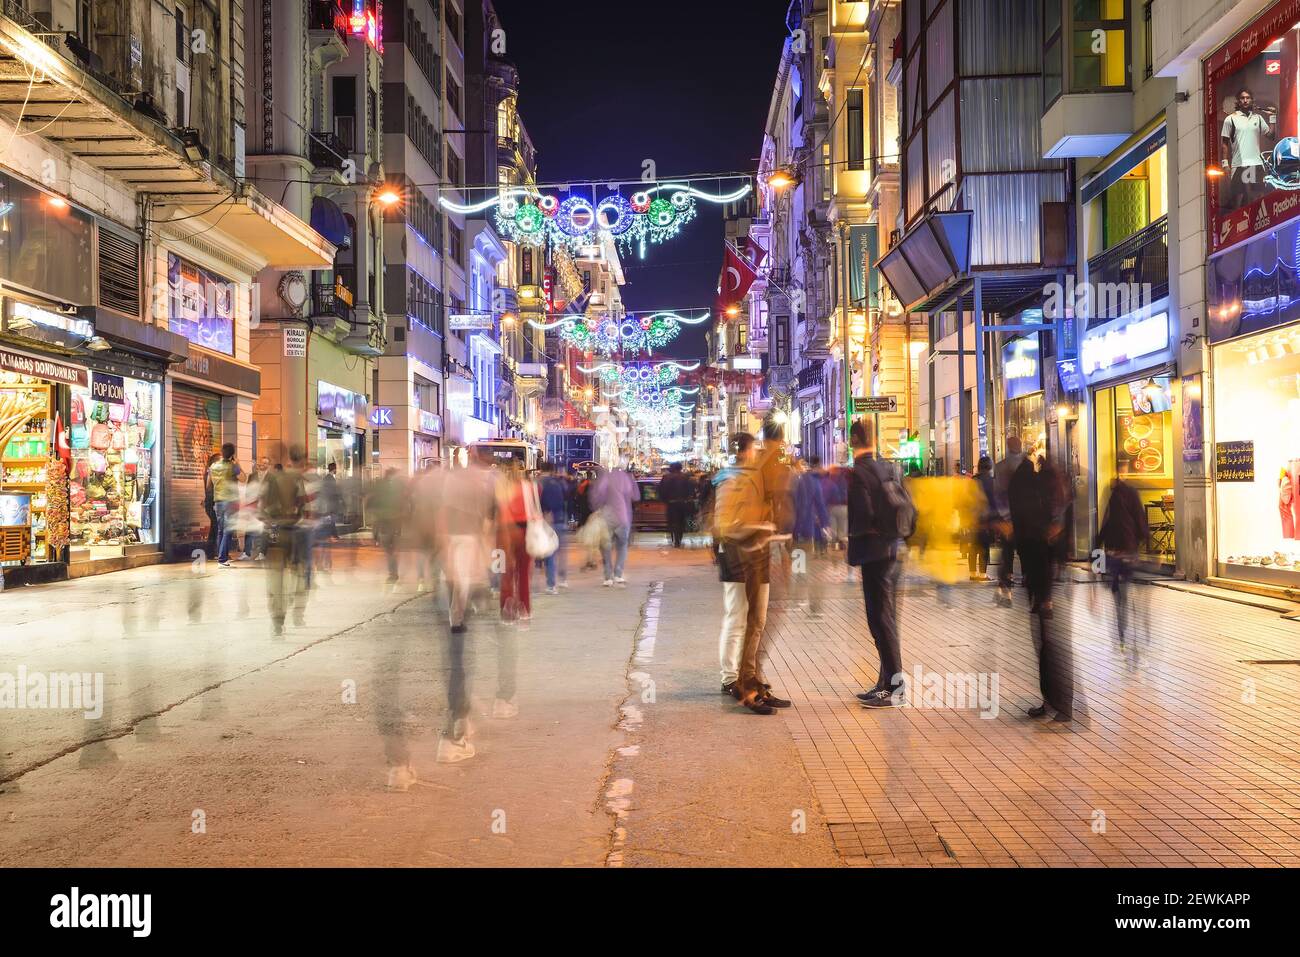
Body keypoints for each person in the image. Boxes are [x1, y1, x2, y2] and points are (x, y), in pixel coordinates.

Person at [713, 423, 793, 715]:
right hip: (737, 557)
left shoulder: (750, 476)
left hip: (756, 556)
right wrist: (757, 526)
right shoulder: (732, 479)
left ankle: (750, 679)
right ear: (745, 451)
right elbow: (725, 525)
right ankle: (732, 679)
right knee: (738, 619)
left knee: (755, 621)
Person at [846, 419, 909, 709]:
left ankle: (895, 688)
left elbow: (862, 513)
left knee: (880, 620)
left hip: (874, 553)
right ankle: (884, 683)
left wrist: (856, 540)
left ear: (854, 440)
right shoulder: (888, 467)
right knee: (886, 618)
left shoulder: (859, 472)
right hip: (894, 549)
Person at [1009, 454, 1074, 722]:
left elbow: (1044, 553)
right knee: (1046, 648)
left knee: (1053, 648)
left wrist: (1045, 596)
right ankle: (1051, 702)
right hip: (1043, 588)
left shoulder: (1041, 516)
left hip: (1048, 591)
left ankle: (1062, 706)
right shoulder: (1042, 507)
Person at [259, 446, 308, 637]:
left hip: (273, 534)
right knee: (297, 575)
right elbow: (304, 507)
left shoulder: (268, 479)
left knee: (275, 578)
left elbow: (260, 509)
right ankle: (295, 612)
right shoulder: (297, 479)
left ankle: (277, 619)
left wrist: (270, 522)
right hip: (291, 533)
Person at [1096, 476, 1149, 647]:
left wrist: (1096, 559)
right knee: (1127, 590)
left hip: (1115, 554)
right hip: (1129, 552)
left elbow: (1103, 531)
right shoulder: (1132, 498)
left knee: (1119, 595)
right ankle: (1134, 622)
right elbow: (1141, 523)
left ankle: (1121, 630)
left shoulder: (1112, 503)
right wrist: (1142, 541)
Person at [1220, 87, 1275, 210]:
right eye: (1242, 98)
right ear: (1238, 101)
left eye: (1247, 98)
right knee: (1238, 200)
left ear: (1251, 100)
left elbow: (1271, 136)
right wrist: (1225, 164)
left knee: (1258, 197)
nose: (1245, 100)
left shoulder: (1258, 118)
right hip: (1240, 165)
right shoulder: (1231, 119)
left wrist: (1272, 117)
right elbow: (1224, 143)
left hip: (1256, 164)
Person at [496, 463, 535, 621]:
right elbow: (535, 511)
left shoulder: (503, 490)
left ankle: (507, 607)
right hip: (526, 532)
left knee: (506, 573)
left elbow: (502, 513)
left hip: (506, 532)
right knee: (524, 573)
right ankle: (524, 608)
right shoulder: (529, 488)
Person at [590, 459, 638, 586]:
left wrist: (597, 507)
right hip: (623, 516)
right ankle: (618, 574)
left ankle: (608, 577)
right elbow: (636, 497)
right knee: (622, 547)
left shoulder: (606, 477)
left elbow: (597, 496)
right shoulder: (628, 478)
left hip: (607, 517)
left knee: (605, 546)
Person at [993, 435, 1026, 606]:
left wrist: (1004, 518)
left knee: (1007, 556)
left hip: (1009, 520)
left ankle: (1006, 590)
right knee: (1024, 554)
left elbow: (998, 494)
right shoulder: (1029, 465)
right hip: (1025, 520)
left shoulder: (1000, 467)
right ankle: (1012, 587)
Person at [367, 468, 406, 585]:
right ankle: (393, 571)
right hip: (393, 520)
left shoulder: (380, 485)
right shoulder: (398, 486)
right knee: (392, 547)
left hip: (384, 521)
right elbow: (403, 501)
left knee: (389, 548)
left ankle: (392, 572)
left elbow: (371, 501)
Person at [539, 461, 570, 594]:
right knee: (561, 551)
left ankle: (551, 584)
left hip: (545, 521)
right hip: (560, 519)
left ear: (541, 469)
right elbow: (567, 497)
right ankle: (563, 579)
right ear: (552, 470)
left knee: (549, 553)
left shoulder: (537, 483)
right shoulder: (558, 482)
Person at [209, 443, 242, 567]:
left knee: (221, 530)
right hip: (231, 501)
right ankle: (222, 559)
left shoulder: (213, 466)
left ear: (222, 452)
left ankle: (222, 557)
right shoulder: (233, 466)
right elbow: (243, 478)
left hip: (218, 501)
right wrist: (238, 464)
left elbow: (212, 481)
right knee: (228, 530)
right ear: (232, 454)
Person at [969, 456, 996, 581]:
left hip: (972, 519)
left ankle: (973, 573)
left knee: (973, 546)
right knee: (984, 546)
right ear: (989, 467)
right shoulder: (991, 481)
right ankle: (983, 574)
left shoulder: (972, 481)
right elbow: (993, 501)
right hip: (985, 519)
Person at [660, 462, 692, 548]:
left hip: (671, 503)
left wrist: (665, 500)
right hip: (682, 503)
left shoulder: (666, 477)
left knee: (672, 522)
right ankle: (679, 539)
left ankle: (674, 538)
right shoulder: (686, 477)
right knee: (681, 522)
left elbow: (661, 491)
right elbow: (689, 490)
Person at [203, 451, 221, 558]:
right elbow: (209, 490)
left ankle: (211, 552)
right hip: (212, 503)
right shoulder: (210, 473)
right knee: (216, 527)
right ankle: (213, 552)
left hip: (212, 502)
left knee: (215, 527)